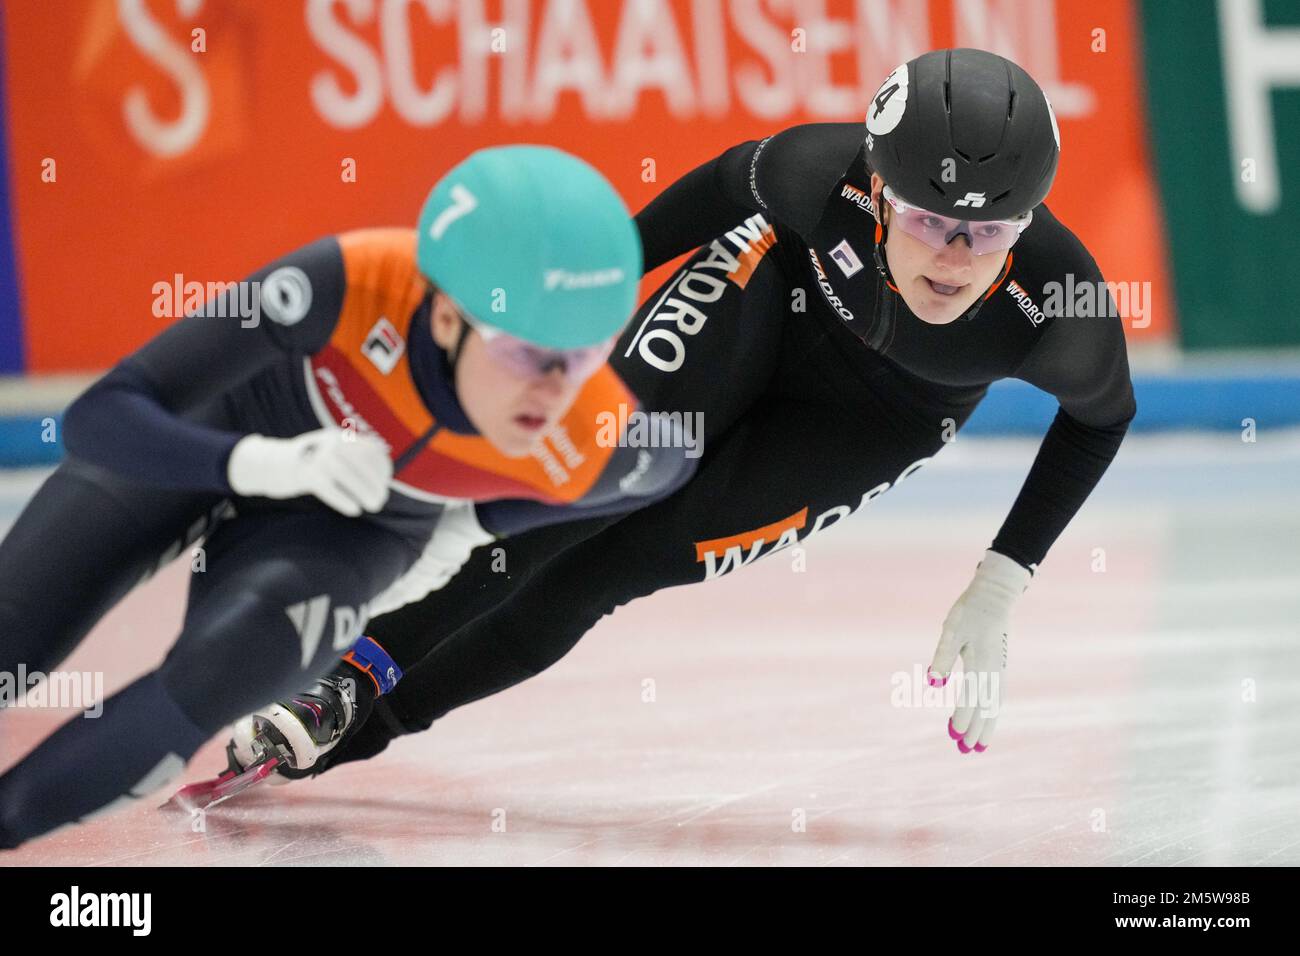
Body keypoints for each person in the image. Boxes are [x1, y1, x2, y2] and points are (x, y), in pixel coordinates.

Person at [229, 47, 1137, 782]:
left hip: (877, 419)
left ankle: (373, 726)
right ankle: (344, 683)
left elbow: (1101, 418)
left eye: (993, 231)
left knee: (604, 574)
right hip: (765, 299)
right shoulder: (813, 175)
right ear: (875, 188)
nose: (957, 257)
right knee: (580, 492)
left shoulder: (1059, 302)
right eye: (931, 221)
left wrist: (1001, 580)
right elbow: (719, 189)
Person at [0, 145, 695, 849]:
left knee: (229, 666)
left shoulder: (602, 445)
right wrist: (257, 464)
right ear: (447, 318)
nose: (553, 391)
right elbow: (103, 415)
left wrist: (465, 527)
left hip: (348, 535)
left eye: (581, 357)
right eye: (526, 353)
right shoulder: (351, 282)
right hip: (214, 434)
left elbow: (671, 461)